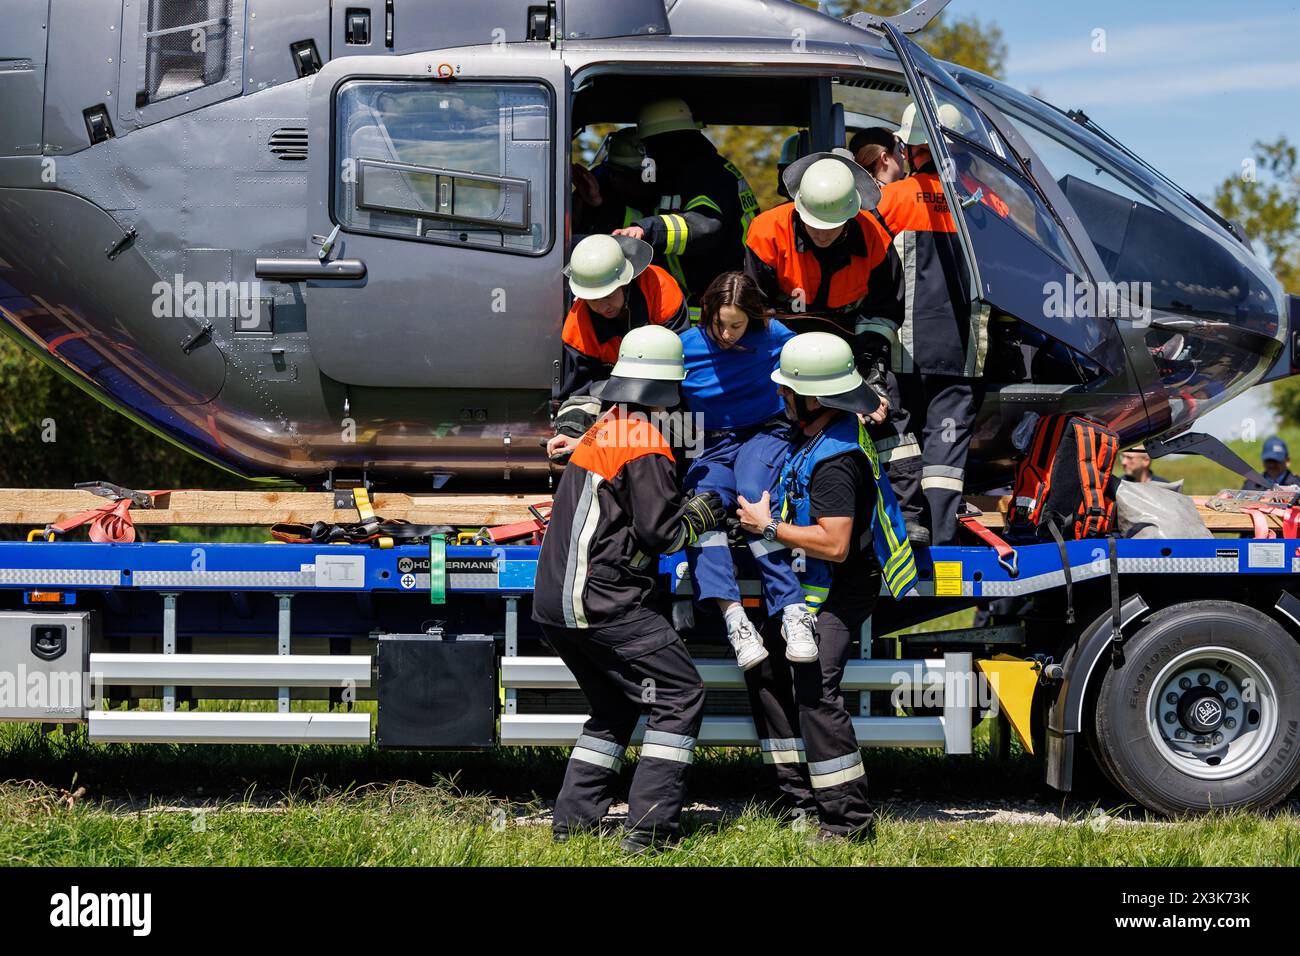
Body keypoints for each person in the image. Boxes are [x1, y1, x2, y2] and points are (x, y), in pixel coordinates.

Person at [533, 324, 725, 854]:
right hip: (604, 600)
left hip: (554, 602)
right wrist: (705, 511)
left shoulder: (606, 427)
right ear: (670, 390)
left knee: (616, 707)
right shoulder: (644, 441)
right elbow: (660, 535)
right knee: (682, 693)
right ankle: (649, 833)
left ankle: (573, 827)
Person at [735, 331, 917, 840]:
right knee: (768, 675)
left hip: (841, 581)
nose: (781, 396)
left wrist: (766, 527)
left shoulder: (836, 458)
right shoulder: (826, 429)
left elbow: (834, 544)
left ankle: (849, 821)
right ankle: (798, 801)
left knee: (815, 688)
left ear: (814, 397)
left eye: (788, 390)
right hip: (816, 580)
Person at [680, 272, 870, 670]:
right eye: (719, 324)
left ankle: (792, 610)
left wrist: (864, 397)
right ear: (707, 315)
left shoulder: (777, 337)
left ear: (755, 318)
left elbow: (821, 371)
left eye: (737, 324)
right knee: (705, 510)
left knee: (753, 495)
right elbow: (640, 385)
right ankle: (735, 619)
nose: (728, 333)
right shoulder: (685, 347)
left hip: (767, 434)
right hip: (712, 444)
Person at [744, 152, 925, 544]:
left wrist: (868, 376)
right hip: (781, 338)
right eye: (815, 226)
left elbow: (884, 311)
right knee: (774, 413)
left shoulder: (874, 236)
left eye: (832, 227)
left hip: (849, 337)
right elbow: (754, 311)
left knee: (887, 409)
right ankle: (767, 508)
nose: (823, 234)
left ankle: (905, 515)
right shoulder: (766, 232)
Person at [865, 102, 990, 546]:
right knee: (947, 445)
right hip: (963, 349)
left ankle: (906, 523)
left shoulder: (890, 199)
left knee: (899, 434)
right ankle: (942, 532)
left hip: (903, 346)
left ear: (907, 146)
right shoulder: (985, 204)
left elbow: (867, 265)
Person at [549, 233, 690, 461]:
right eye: (593, 299)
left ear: (626, 280)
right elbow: (579, 395)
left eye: (609, 295)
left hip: (669, 394)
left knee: (684, 435)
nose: (602, 306)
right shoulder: (578, 328)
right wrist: (570, 433)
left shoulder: (661, 291)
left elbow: (683, 366)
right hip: (613, 401)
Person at [612, 97, 759, 314]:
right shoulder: (680, 174)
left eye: (651, 146)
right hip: (706, 298)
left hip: (726, 300)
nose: (650, 154)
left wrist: (647, 229)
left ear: (668, 141)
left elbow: (706, 225)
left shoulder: (708, 174)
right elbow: (647, 206)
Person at [572, 127, 654, 236]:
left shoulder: (661, 195)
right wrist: (585, 203)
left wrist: (599, 205)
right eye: (612, 172)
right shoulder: (597, 180)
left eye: (624, 174)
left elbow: (646, 222)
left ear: (648, 174)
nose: (614, 179)